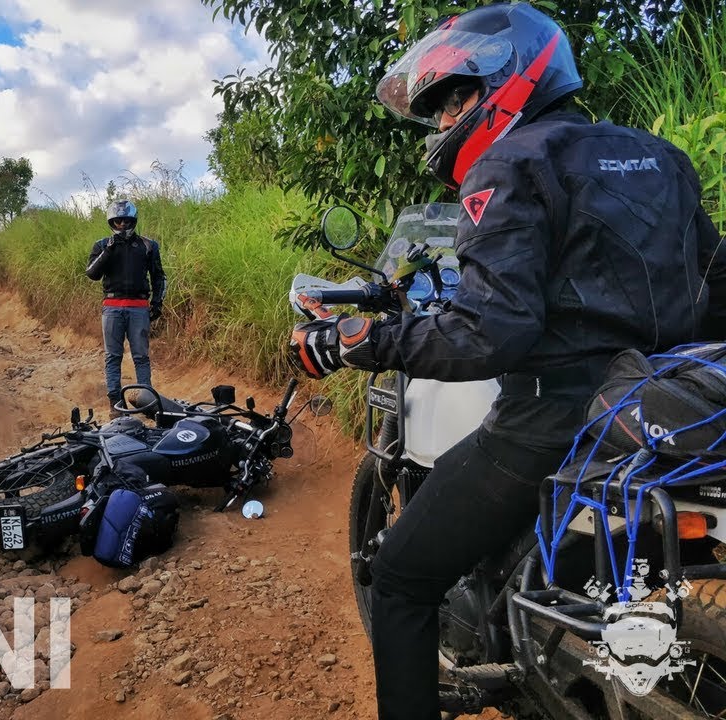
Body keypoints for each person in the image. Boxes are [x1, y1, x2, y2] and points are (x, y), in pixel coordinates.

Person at [287, 4, 726, 718]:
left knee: (398, 577)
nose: (441, 124)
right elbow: (718, 286)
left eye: (450, 101)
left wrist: (360, 341)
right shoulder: (662, 158)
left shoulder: (512, 161)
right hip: (668, 402)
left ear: (504, 77)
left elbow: (486, 336)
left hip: (560, 414)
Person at [85, 199, 167, 417]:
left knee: (141, 356)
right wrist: (110, 250)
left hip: (139, 307)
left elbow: (159, 276)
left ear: (133, 220)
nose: (122, 224)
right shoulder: (102, 245)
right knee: (113, 356)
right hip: (111, 307)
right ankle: (115, 404)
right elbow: (92, 273)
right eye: (118, 221)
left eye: (126, 220)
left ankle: (147, 403)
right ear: (112, 221)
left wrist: (158, 302)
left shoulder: (148, 245)